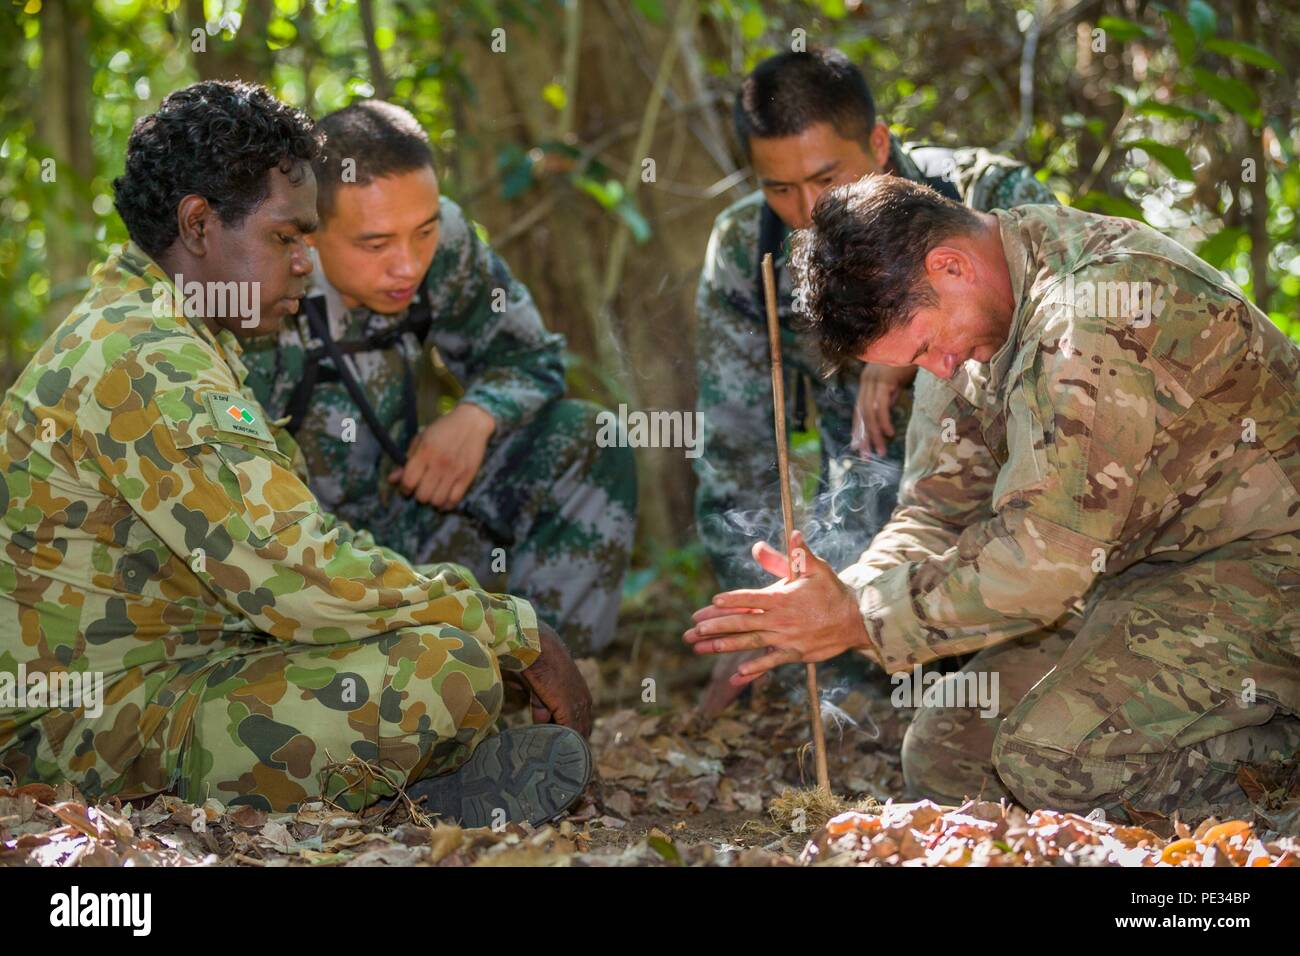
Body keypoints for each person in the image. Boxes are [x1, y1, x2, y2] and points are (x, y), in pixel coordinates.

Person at [0, 81, 592, 825]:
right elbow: (299, 575)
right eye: (286, 238)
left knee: (448, 659)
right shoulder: (147, 358)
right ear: (199, 225)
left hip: (174, 670)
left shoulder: (176, 331)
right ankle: (416, 795)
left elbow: (288, 567)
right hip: (69, 730)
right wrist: (517, 632)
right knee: (447, 673)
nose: (306, 264)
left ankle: (415, 790)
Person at [686, 174, 1300, 820]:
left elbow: (1042, 567)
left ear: (950, 266)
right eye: (917, 361)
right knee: (948, 752)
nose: (941, 370)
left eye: (926, 346)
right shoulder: (977, 316)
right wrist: (841, 591)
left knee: (1056, 758)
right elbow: (935, 511)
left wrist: (860, 617)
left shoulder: (1088, 315)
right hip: (1148, 573)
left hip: (1270, 562)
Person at [693, 47, 1055, 711]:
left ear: (880, 143)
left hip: (1012, 504)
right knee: (878, 695)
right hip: (874, 516)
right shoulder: (750, 249)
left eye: (826, 179)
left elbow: (1070, 364)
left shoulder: (986, 198)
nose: (805, 210)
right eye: (778, 189)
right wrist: (761, 620)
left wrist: (922, 354)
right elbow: (736, 447)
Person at [241, 100, 636, 658]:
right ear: (309, 231)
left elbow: (530, 357)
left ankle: (549, 683)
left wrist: (479, 415)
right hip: (300, 571)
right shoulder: (254, 291)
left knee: (592, 438)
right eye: (375, 245)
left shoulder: (443, 240)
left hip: (413, 526)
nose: (408, 265)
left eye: (422, 232)